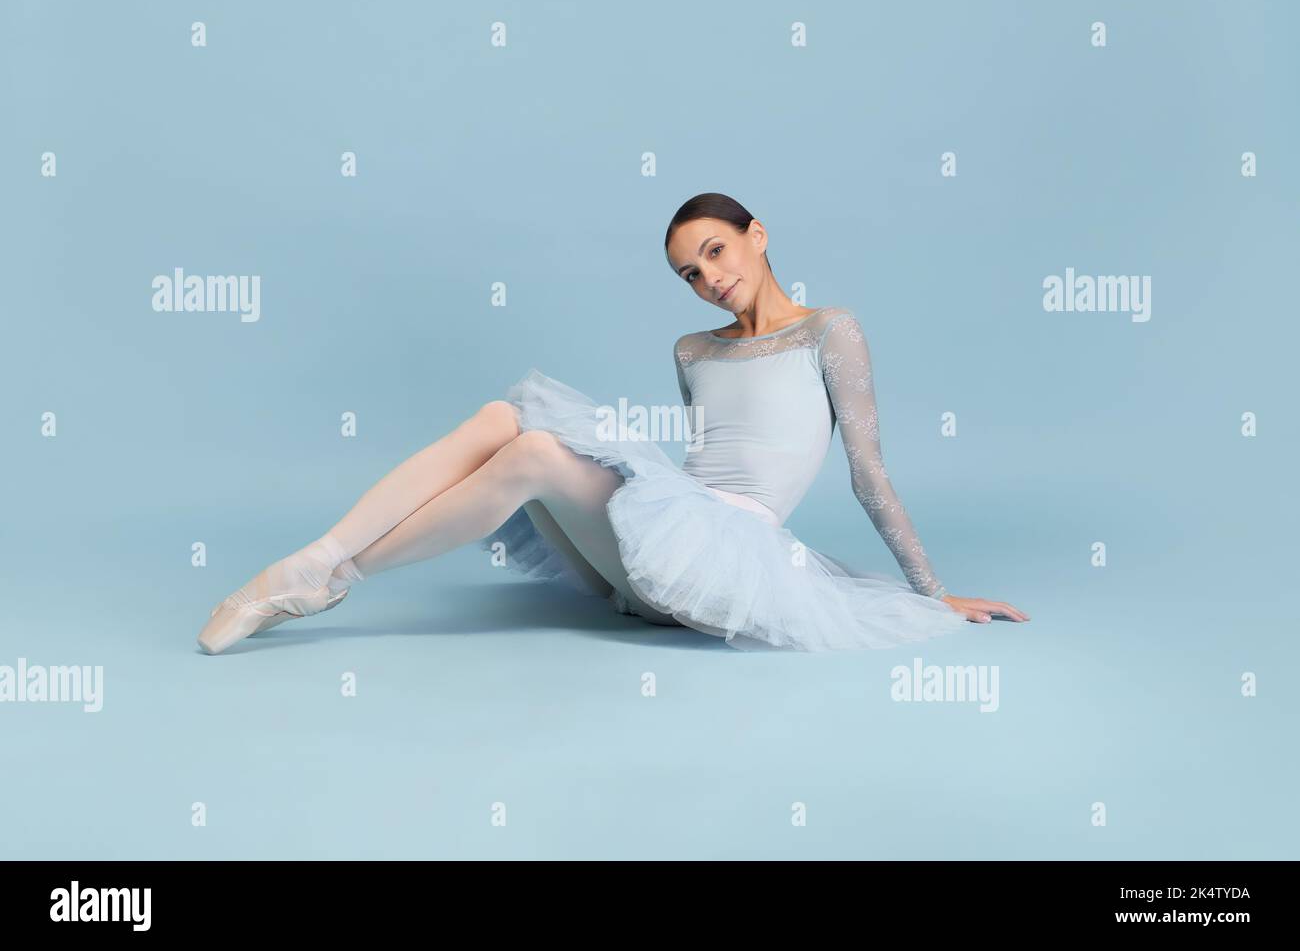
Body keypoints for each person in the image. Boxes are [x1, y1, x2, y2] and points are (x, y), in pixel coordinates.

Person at [197, 192, 1028, 655]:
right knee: (503, 415)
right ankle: (313, 565)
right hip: (654, 544)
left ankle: (323, 580)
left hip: (722, 563)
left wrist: (932, 592)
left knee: (528, 451)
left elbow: (866, 470)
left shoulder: (828, 330)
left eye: (715, 251)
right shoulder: (693, 348)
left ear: (758, 235)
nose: (707, 277)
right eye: (688, 270)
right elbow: (703, 465)